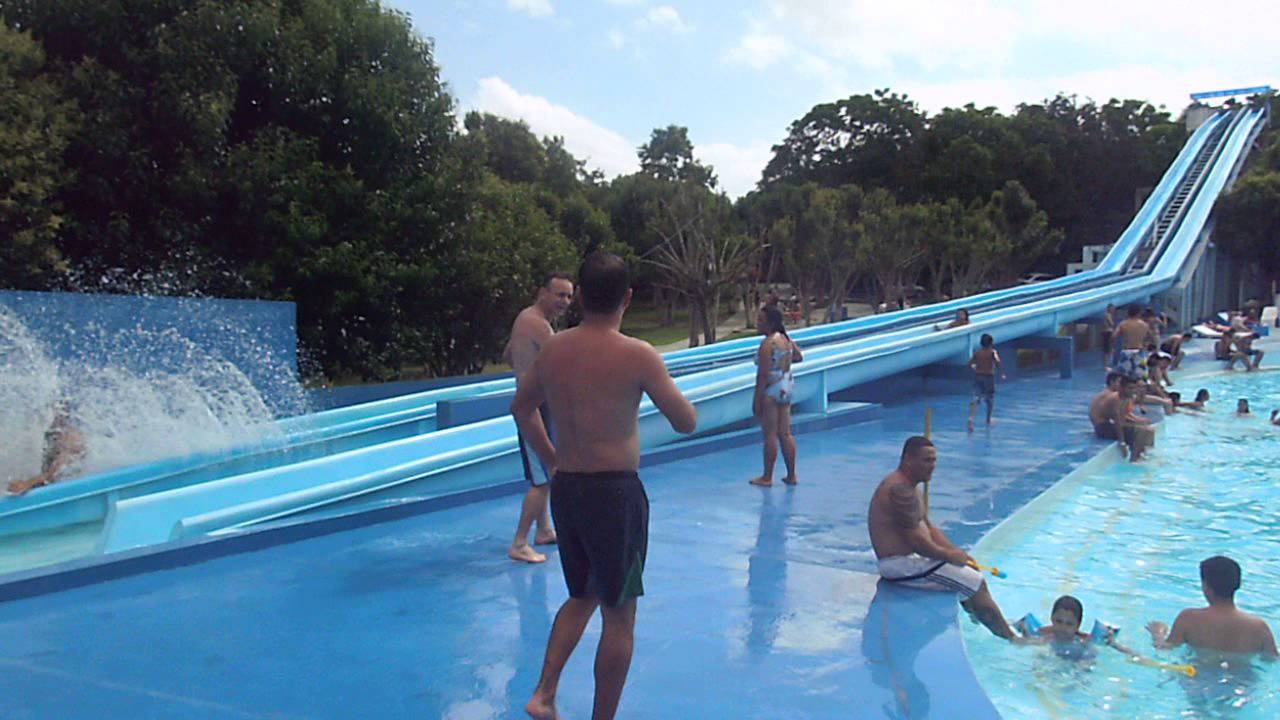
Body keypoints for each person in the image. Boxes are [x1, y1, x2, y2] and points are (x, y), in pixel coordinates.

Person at [513, 252, 697, 720]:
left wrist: (553, 458)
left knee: (583, 595)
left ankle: (544, 693)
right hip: (614, 495)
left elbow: (521, 409)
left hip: (569, 490)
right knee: (620, 614)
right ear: (627, 298)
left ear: (580, 296)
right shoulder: (638, 354)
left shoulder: (554, 350)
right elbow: (685, 421)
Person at [867, 436, 1015, 640]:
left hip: (914, 562)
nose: (933, 466)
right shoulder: (899, 491)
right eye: (927, 460)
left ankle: (983, 618)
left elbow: (930, 529)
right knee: (977, 583)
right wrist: (949, 556)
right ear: (908, 460)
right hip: (901, 565)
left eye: (934, 460)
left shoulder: (911, 488)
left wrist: (957, 553)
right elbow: (917, 542)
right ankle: (1013, 639)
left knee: (969, 569)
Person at [504, 272, 576, 564]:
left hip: (538, 407)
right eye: (559, 295)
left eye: (569, 296)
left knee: (543, 474)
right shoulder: (538, 326)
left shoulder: (526, 320)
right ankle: (519, 542)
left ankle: (544, 530)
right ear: (542, 292)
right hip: (532, 411)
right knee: (543, 478)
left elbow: (508, 353)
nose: (565, 302)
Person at [1147, 556, 1278, 657]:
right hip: (1245, 680)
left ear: (1206, 587)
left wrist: (1157, 633)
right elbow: (1272, 658)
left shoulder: (1189, 618)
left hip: (1198, 677)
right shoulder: (1258, 627)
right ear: (1237, 585)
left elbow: (1165, 649)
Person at [749, 305, 802, 487]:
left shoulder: (767, 344)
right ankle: (792, 475)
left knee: (770, 434)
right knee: (785, 433)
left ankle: (767, 477)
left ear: (770, 323)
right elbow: (799, 357)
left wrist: (757, 400)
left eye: (761, 320)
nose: (758, 323)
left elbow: (762, 375)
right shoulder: (786, 340)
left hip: (771, 390)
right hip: (786, 387)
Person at [6, 402, 85, 496]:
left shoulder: (71, 439)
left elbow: (53, 475)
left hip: (70, 494)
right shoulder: (54, 433)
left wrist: (26, 484)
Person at [967, 333, 1005, 432]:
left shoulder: (977, 353)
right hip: (988, 377)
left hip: (978, 376)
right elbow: (997, 362)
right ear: (991, 343)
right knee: (990, 399)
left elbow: (970, 364)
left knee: (976, 397)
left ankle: (971, 418)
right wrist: (1002, 373)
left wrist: (975, 368)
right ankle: (988, 419)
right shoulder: (992, 352)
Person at [1113, 305, 1152, 378]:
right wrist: (1145, 344)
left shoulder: (1123, 324)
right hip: (1139, 351)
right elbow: (1150, 337)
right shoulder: (1144, 325)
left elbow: (1114, 336)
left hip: (1126, 351)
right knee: (1140, 375)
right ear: (1139, 313)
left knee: (1123, 376)